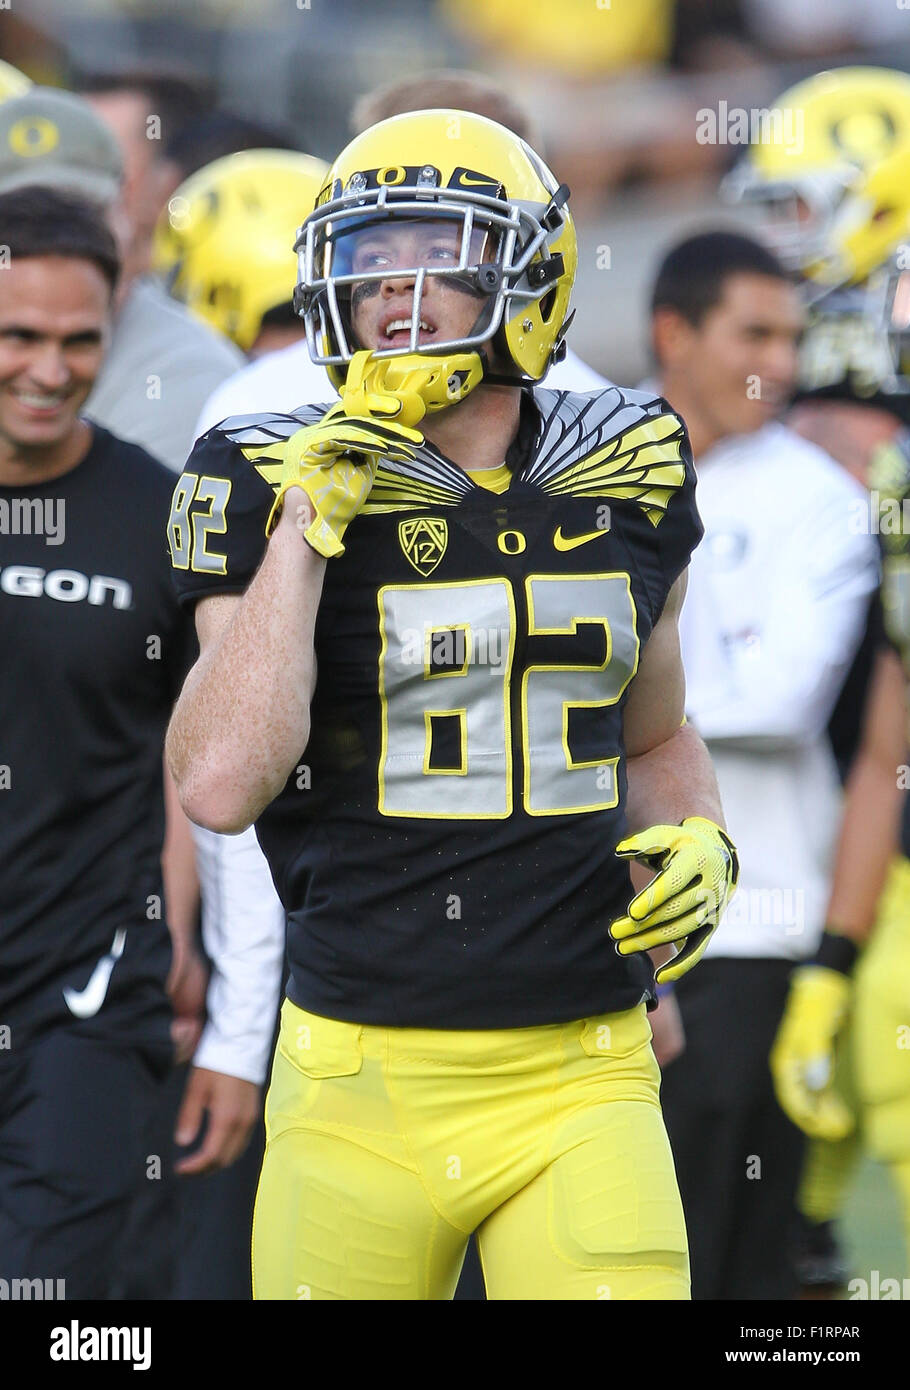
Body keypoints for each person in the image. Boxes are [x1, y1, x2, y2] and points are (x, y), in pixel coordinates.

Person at [165, 108, 739, 1301]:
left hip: (582, 1059)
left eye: (435, 247)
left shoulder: (627, 454)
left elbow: (658, 736)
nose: (393, 287)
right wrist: (305, 538)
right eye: (366, 256)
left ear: (529, 271)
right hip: (354, 1071)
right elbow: (219, 786)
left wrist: (699, 834)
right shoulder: (258, 460)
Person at [648, 231, 880, 1299]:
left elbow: (783, 702)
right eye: (756, 334)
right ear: (672, 334)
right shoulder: (590, 458)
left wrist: (595, 696)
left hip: (752, 920)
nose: (780, 363)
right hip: (590, 906)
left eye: (791, 337)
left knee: (731, 1263)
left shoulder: (821, 500)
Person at [0, 186, 197, 1297]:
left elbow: (198, 759)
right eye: (19, 335)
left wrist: (185, 942)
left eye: (80, 340)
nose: (49, 368)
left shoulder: (153, 512)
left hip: (80, 998)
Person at [0, 85, 245, 473]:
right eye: (15, 223)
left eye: (76, 216)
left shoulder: (191, 371)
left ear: (128, 213)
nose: (49, 245)